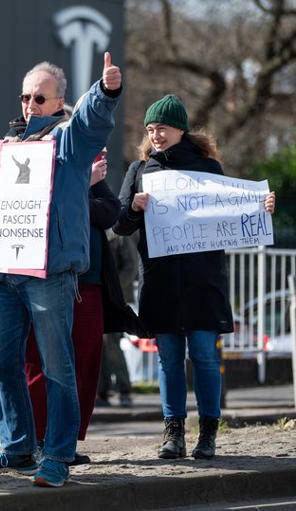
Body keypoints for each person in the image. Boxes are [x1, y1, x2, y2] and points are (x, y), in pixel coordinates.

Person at [0, 54, 122, 487]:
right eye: (25, 96)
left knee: (58, 366)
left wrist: (105, 92)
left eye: (39, 97)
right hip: (3, 275)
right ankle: (17, 447)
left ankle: (57, 452)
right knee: (2, 364)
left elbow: (92, 122)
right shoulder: (5, 146)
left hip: (49, 274)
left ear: (58, 103)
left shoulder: (67, 142)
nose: (29, 104)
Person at [114, 94, 276, 459]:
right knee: (168, 358)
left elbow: (236, 210)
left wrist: (260, 207)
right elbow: (120, 226)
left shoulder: (207, 167)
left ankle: (207, 433)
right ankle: (173, 434)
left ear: (181, 130)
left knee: (204, 355)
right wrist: (133, 207)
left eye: (163, 128)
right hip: (161, 281)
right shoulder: (139, 171)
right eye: (151, 129)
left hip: (204, 281)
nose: (156, 135)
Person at [24, 153, 144, 465]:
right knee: (39, 360)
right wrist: (79, 188)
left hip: (88, 282)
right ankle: (38, 438)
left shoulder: (92, 176)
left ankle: (67, 441)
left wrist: (79, 191)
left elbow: (111, 212)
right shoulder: (38, 164)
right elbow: (44, 208)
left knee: (84, 362)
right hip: (45, 278)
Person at [97, 231, 139, 408]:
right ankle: (102, 391)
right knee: (100, 345)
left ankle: (124, 390)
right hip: (99, 294)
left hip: (115, 297)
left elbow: (131, 265)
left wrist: (113, 287)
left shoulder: (120, 231)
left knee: (112, 343)